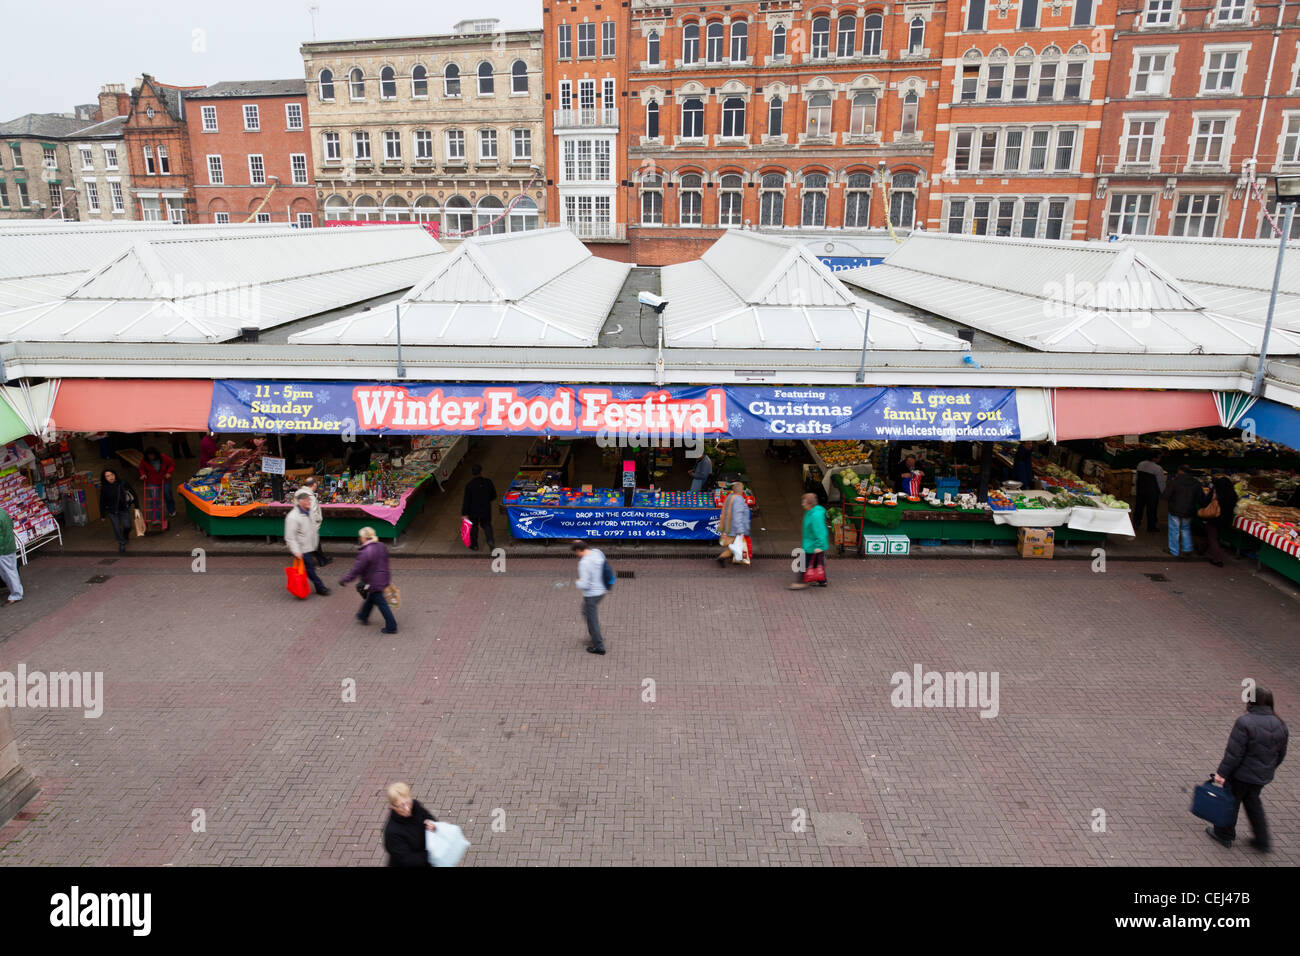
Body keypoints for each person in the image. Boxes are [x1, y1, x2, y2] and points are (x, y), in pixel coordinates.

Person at [1207, 688, 1288, 852]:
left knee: (1231, 802)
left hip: (1241, 775)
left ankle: (1224, 834)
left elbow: (1234, 754)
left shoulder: (1245, 722)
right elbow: (1281, 753)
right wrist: (1268, 768)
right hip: (1261, 776)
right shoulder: (1280, 724)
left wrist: (1222, 773)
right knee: (1253, 804)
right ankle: (1262, 840)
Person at [339, 526, 397, 634]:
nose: (360, 538)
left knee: (381, 603)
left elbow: (356, 569)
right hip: (383, 577)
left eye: (361, 537)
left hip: (373, 581)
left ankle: (391, 626)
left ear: (364, 538)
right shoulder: (381, 545)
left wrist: (345, 579)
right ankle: (363, 615)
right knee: (372, 597)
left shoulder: (365, 552)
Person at [284, 491, 330, 596]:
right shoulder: (293, 517)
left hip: (310, 545)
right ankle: (320, 588)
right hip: (302, 548)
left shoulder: (309, 512)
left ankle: (309, 586)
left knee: (309, 569)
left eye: (309, 500)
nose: (309, 502)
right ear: (300, 502)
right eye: (307, 500)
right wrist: (296, 551)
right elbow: (290, 537)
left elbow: (313, 526)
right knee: (310, 569)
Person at [382, 782, 438, 867]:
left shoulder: (415, 806)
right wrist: (431, 854)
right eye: (401, 806)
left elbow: (429, 818)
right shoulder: (392, 833)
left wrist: (434, 825)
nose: (407, 808)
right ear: (393, 807)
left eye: (408, 802)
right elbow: (408, 860)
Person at [572, 539, 607, 655]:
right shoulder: (597, 552)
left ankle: (599, 646)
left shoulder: (584, 563)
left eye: (576, 552)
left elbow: (585, 584)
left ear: (579, 550)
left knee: (592, 620)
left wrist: (578, 582)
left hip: (591, 594)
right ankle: (596, 635)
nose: (577, 555)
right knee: (586, 612)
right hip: (601, 590)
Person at [1195, 473, 1238, 568]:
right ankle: (1201, 549)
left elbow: (1205, 502)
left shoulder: (1216, 493)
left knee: (1212, 537)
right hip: (1225, 519)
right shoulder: (1233, 495)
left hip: (1214, 518)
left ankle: (1217, 560)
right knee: (1211, 535)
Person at [791, 492, 829, 590]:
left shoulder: (814, 515)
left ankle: (801, 582)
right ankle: (822, 580)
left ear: (810, 503)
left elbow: (820, 531)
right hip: (812, 543)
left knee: (804, 563)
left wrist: (819, 546)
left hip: (813, 544)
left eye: (804, 502)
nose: (802, 504)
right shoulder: (812, 511)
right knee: (817, 562)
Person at [1162, 463, 1202, 558]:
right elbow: (1200, 498)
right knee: (1186, 528)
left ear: (1179, 471)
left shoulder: (1174, 482)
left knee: (1174, 530)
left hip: (1175, 509)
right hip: (1189, 510)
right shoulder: (1196, 483)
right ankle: (1187, 548)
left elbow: (1165, 496)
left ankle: (1174, 550)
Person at [99, 468, 138, 553]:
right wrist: (102, 514)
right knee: (117, 528)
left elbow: (133, 494)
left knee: (128, 526)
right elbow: (102, 501)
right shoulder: (104, 488)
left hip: (124, 509)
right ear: (105, 478)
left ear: (115, 474)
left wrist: (137, 506)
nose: (110, 477)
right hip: (112, 511)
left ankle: (125, 535)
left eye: (112, 475)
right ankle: (122, 542)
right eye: (107, 476)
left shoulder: (123, 483)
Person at [460, 464, 497, 551]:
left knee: (474, 527)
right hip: (485, 508)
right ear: (481, 472)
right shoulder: (488, 482)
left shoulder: (469, 485)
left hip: (473, 510)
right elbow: (494, 495)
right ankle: (490, 541)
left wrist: (464, 513)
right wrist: (487, 500)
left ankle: (475, 545)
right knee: (487, 525)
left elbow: (466, 501)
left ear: (472, 473)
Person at [716, 481, 751, 567]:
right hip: (734, 528)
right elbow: (737, 516)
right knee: (734, 547)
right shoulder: (738, 499)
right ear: (741, 490)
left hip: (728, 526)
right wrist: (740, 530)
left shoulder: (730, 496)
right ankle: (721, 558)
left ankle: (735, 560)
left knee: (733, 545)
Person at [138, 446, 176, 520]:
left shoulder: (164, 457)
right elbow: (141, 468)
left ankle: (171, 509)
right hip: (152, 481)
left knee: (167, 495)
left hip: (165, 480)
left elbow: (171, 464)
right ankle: (156, 518)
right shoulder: (144, 460)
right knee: (154, 499)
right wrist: (143, 474)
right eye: (149, 455)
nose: (151, 457)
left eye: (152, 455)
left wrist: (169, 472)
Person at [300, 476, 330, 567]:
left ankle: (321, 560)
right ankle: (321, 561)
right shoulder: (310, 496)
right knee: (314, 542)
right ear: (314, 484)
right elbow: (312, 512)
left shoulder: (301, 493)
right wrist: (318, 519)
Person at [1134, 452, 1166, 533]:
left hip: (1141, 490)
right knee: (1152, 510)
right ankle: (1151, 527)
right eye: (1159, 457)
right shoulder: (1158, 468)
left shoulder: (1140, 464)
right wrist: (1163, 492)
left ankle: (1136, 524)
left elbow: (1137, 477)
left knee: (1139, 508)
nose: (1160, 459)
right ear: (1154, 458)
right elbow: (1161, 482)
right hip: (1152, 492)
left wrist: (1136, 488)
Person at [0, 506, 22, 605]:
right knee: (9, 570)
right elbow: (11, 525)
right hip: (9, 545)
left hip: (4, 549)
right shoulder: (3, 512)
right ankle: (15, 591)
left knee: (9, 572)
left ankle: (16, 594)